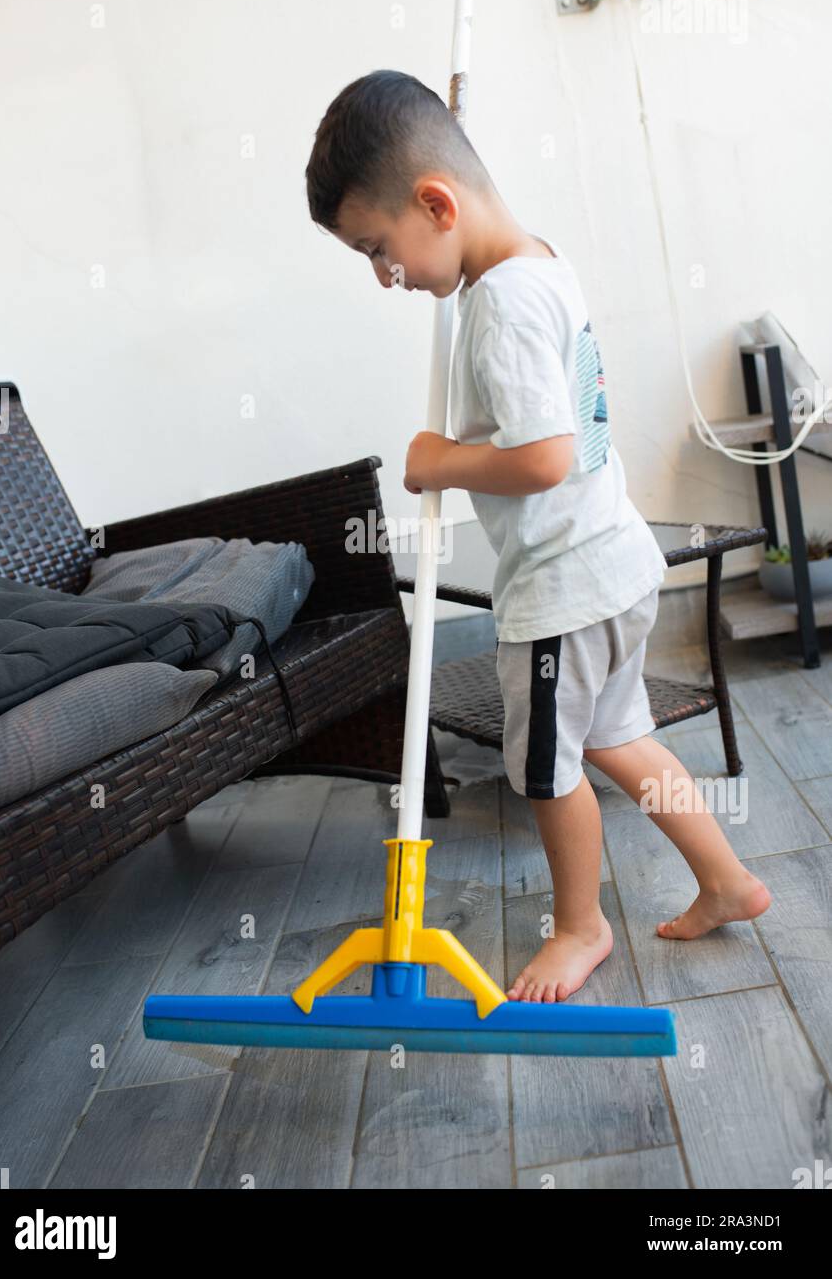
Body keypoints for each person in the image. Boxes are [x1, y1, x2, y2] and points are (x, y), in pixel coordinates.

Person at [305, 69, 771, 1004]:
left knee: (548, 774)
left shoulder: (500, 309)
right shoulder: (536, 264)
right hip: (617, 564)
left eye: (378, 249)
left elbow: (544, 455)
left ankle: (581, 926)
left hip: (562, 592)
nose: (384, 277)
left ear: (436, 202)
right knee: (624, 739)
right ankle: (726, 880)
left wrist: (438, 461)